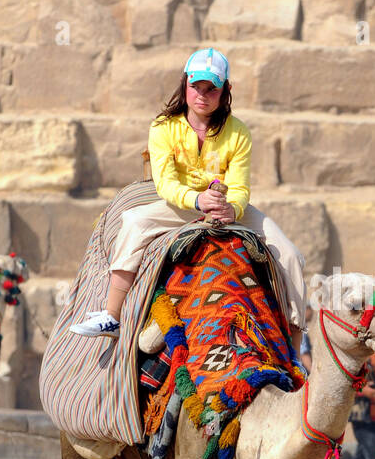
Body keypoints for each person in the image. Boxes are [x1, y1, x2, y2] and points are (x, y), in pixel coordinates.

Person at [70, 48, 306, 344]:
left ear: (225, 90)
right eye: (196, 86)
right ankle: (112, 315)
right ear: (185, 84)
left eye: (211, 89)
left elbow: (241, 186)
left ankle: (295, 346)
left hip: (227, 208)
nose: (202, 95)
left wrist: (232, 208)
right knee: (133, 222)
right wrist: (197, 200)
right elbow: (165, 184)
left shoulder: (238, 132)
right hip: (181, 205)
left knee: (291, 254)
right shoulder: (163, 127)